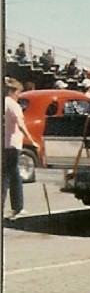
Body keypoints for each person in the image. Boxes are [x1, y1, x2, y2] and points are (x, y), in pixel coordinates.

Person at [3, 79, 40, 220]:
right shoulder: (13, 105)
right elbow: (20, 125)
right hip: (13, 144)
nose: (19, 95)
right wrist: (31, 140)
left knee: (14, 176)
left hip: (5, 144)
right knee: (7, 177)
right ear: (12, 91)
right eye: (18, 92)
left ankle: (18, 207)